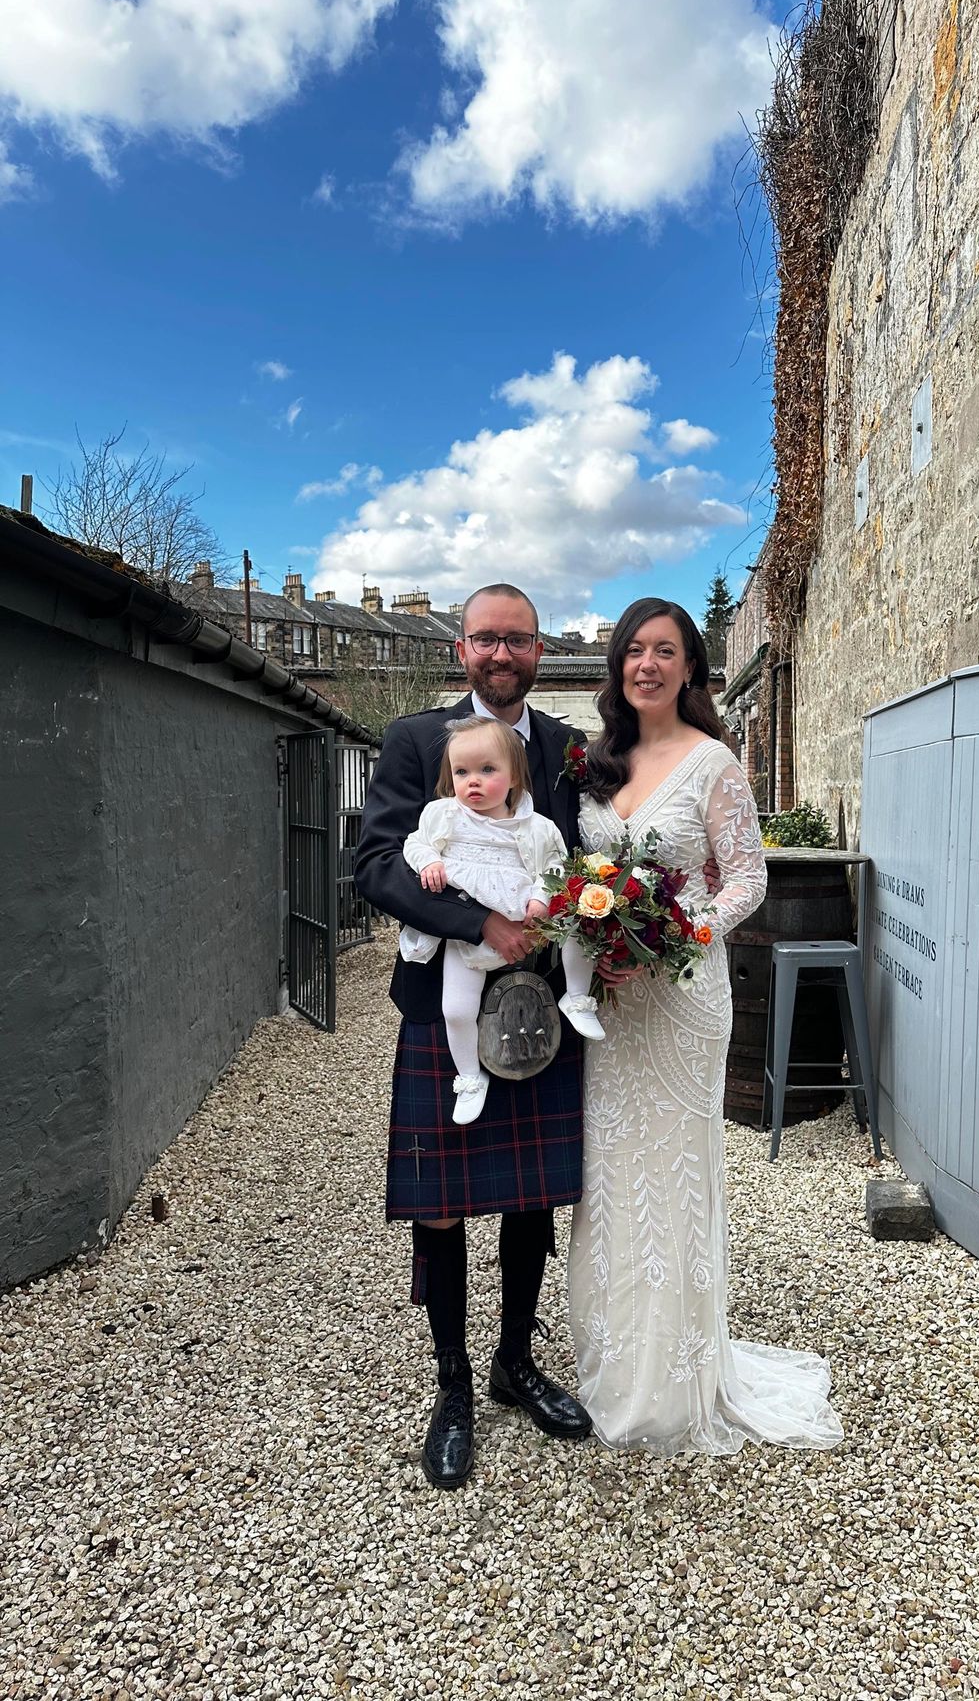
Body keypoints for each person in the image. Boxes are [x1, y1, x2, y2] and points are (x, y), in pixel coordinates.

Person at [566, 597, 845, 1455]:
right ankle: (615, 1363)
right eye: (634, 650)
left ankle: (679, 1378)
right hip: (615, 1000)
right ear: (618, 665)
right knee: (610, 1170)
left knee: (674, 1171)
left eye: (666, 651)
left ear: (691, 667)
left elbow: (747, 878)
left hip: (684, 998)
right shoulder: (602, 764)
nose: (647, 664)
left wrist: (680, 933)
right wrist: (595, 933)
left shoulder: (714, 761)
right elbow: (581, 872)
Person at [354, 585, 592, 1490]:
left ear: (539, 649)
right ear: (462, 647)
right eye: (487, 637)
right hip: (450, 998)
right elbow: (377, 862)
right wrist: (475, 925)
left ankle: (514, 1360)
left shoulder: (565, 749)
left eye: (518, 639)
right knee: (443, 1199)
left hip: (541, 997)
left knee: (532, 1192)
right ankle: (452, 1381)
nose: (503, 652)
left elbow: (588, 852)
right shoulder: (419, 741)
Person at [399, 714, 604, 1125]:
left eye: (487, 769)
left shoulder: (538, 827)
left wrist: (541, 898)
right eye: (461, 771)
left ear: (514, 776)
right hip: (468, 932)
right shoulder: (444, 816)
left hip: (531, 923)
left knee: (578, 922)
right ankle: (470, 1078)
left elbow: (556, 868)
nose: (472, 781)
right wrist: (429, 863)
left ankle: (576, 995)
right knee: (456, 1009)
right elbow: (414, 844)